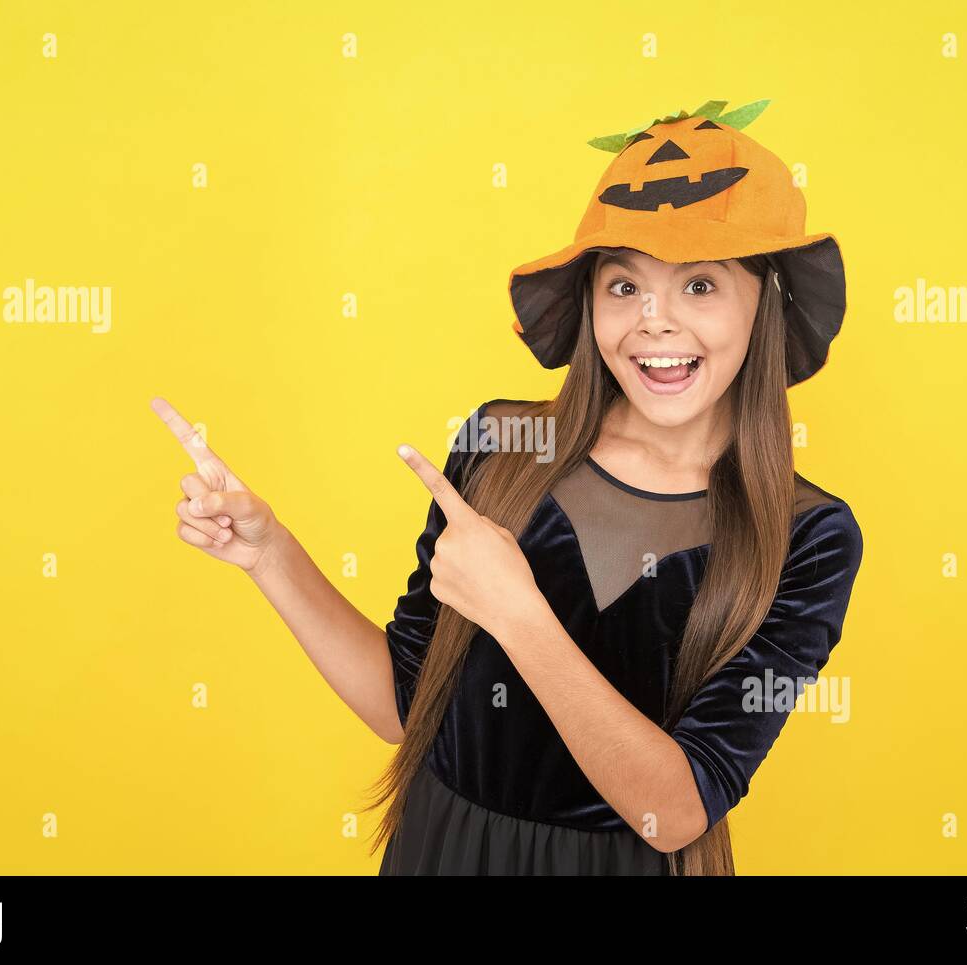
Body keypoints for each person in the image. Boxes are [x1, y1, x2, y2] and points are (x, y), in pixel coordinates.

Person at [151, 98, 863, 876]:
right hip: (442, 852)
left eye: (700, 286)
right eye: (624, 286)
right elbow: (403, 707)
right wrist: (269, 554)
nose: (655, 322)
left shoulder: (808, 536)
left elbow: (676, 812)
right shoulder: (501, 448)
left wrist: (518, 614)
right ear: (591, 301)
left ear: (765, 306)